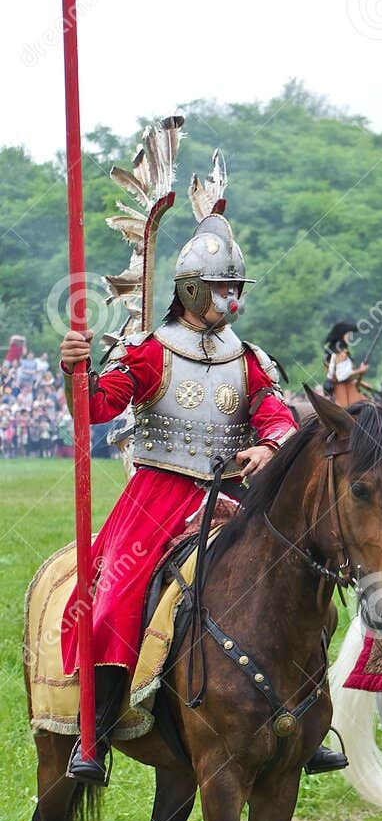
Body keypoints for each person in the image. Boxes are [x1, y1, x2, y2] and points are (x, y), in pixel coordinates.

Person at [58, 208, 345, 784]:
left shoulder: (249, 359)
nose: (231, 299)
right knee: (114, 599)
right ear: (190, 289)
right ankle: (99, 728)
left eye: (235, 287)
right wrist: (76, 373)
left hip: (235, 497)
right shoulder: (149, 351)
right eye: (220, 287)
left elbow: (275, 416)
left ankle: (307, 716)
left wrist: (272, 447)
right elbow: (99, 406)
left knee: (304, 587)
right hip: (158, 497)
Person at [323, 322, 371, 409]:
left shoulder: (337, 352)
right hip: (342, 391)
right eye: (348, 334)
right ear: (341, 335)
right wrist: (361, 370)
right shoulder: (341, 354)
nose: (349, 336)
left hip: (345, 388)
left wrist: (362, 381)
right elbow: (342, 376)